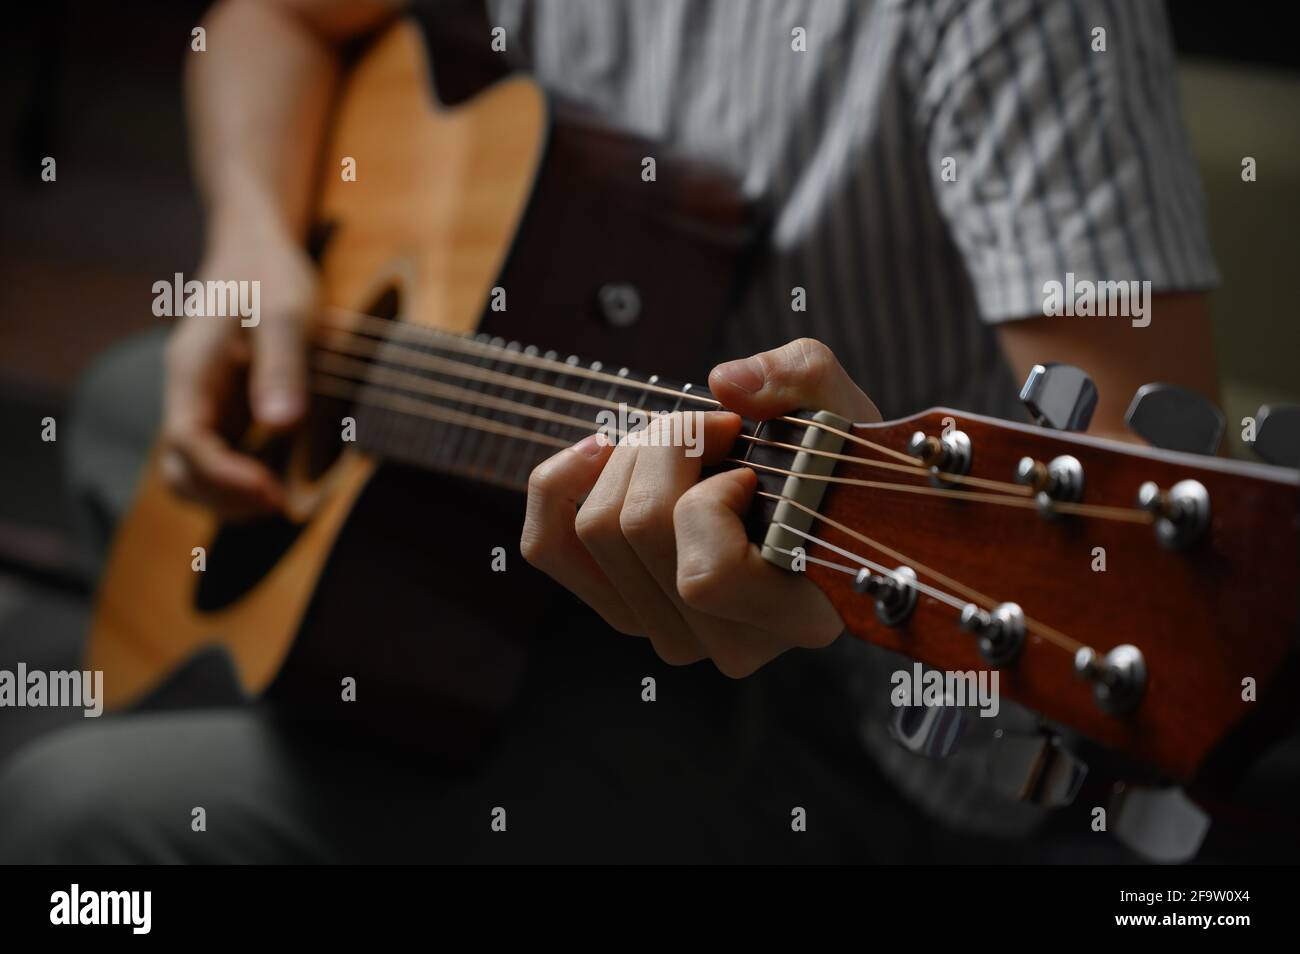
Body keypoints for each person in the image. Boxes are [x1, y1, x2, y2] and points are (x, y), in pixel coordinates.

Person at [0, 0, 1226, 863]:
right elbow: (267, 18)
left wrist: (814, 539)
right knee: (125, 403)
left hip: (848, 711)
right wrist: (252, 245)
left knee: (66, 820)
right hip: (538, 556)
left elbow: (1119, 569)